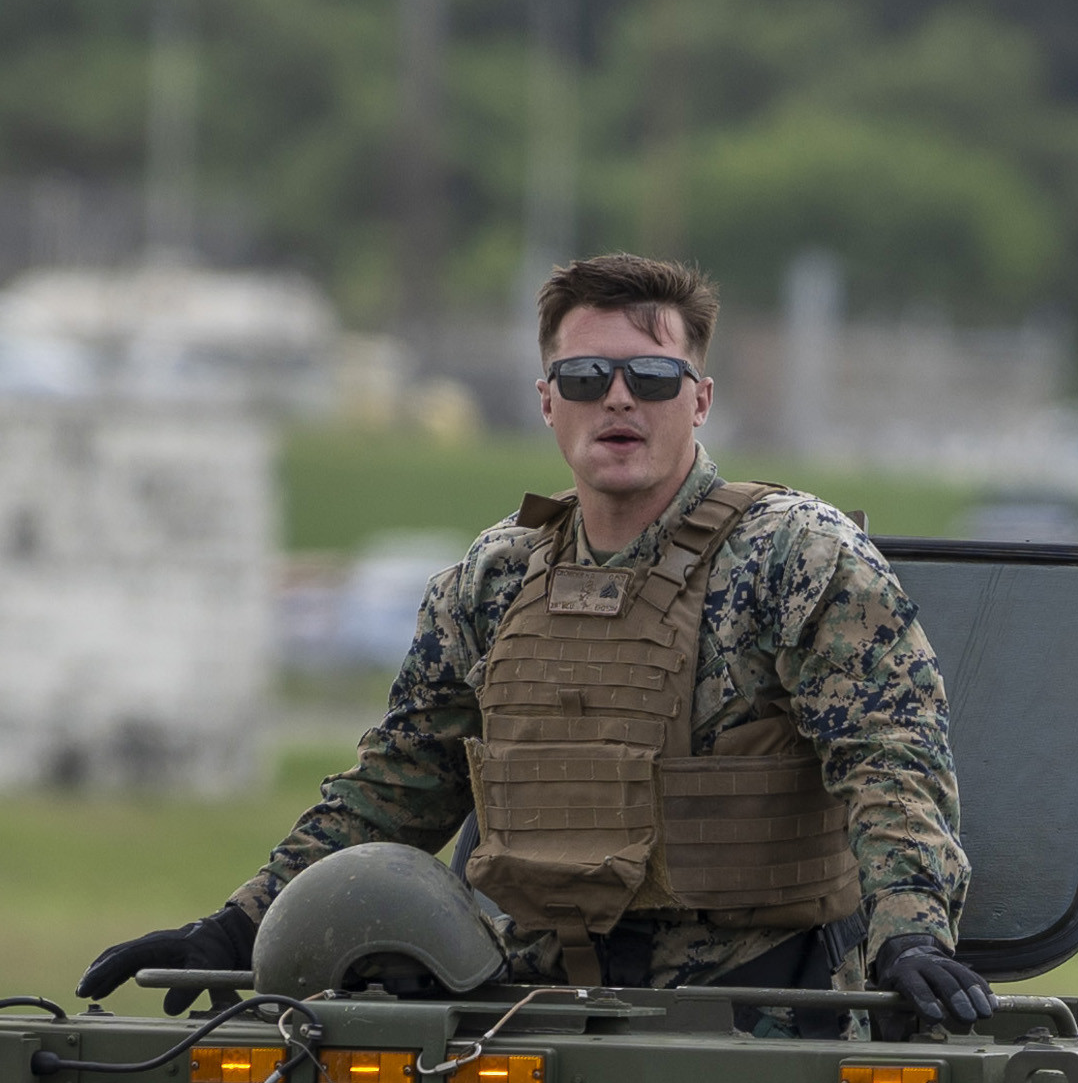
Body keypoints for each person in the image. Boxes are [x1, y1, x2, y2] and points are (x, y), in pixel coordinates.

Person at [115, 246, 991, 1027]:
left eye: (652, 377)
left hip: (761, 1012)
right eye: (585, 377)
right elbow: (402, 779)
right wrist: (242, 924)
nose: (618, 398)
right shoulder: (496, 575)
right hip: (525, 1009)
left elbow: (890, 759)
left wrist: (910, 936)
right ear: (546, 401)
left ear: (702, 400)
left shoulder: (795, 555)